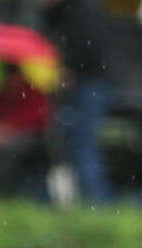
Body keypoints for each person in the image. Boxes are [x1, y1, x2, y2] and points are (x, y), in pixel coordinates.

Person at [40, 0, 115, 204]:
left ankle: (95, 201)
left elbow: (90, 48)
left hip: (89, 85)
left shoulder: (84, 10)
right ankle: (88, 199)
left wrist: (71, 70)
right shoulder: (55, 13)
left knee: (83, 144)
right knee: (74, 144)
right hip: (76, 84)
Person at [0, 63, 53, 202]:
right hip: (4, 142)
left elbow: (38, 116)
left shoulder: (33, 93)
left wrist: (10, 127)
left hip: (32, 142)